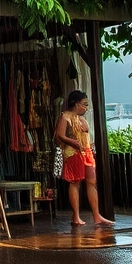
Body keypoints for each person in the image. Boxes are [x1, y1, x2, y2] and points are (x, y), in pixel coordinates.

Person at [54, 89, 114, 227]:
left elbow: (86, 136)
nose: (86, 108)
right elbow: (60, 136)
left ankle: (97, 215)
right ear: (75, 103)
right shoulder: (65, 117)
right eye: (84, 104)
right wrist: (72, 142)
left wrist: (89, 145)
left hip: (86, 152)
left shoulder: (82, 119)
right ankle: (76, 216)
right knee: (75, 183)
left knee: (91, 182)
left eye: (87, 105)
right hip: (73, 153)